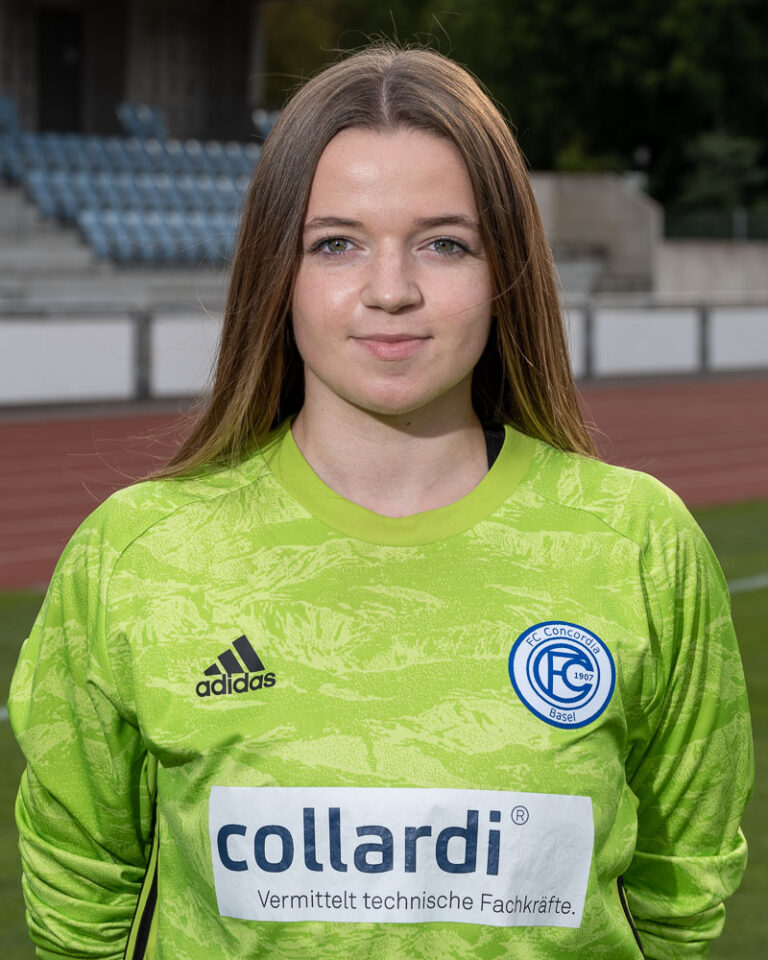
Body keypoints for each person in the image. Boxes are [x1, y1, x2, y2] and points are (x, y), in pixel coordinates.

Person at [9, 43, 752, 960]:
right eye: (337, 244)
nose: (391, 291)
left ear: (504, 270)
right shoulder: (139, 554)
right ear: (276, 272)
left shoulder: (638, 544)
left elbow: (681, 894)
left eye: (445, 243)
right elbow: (81, 908)